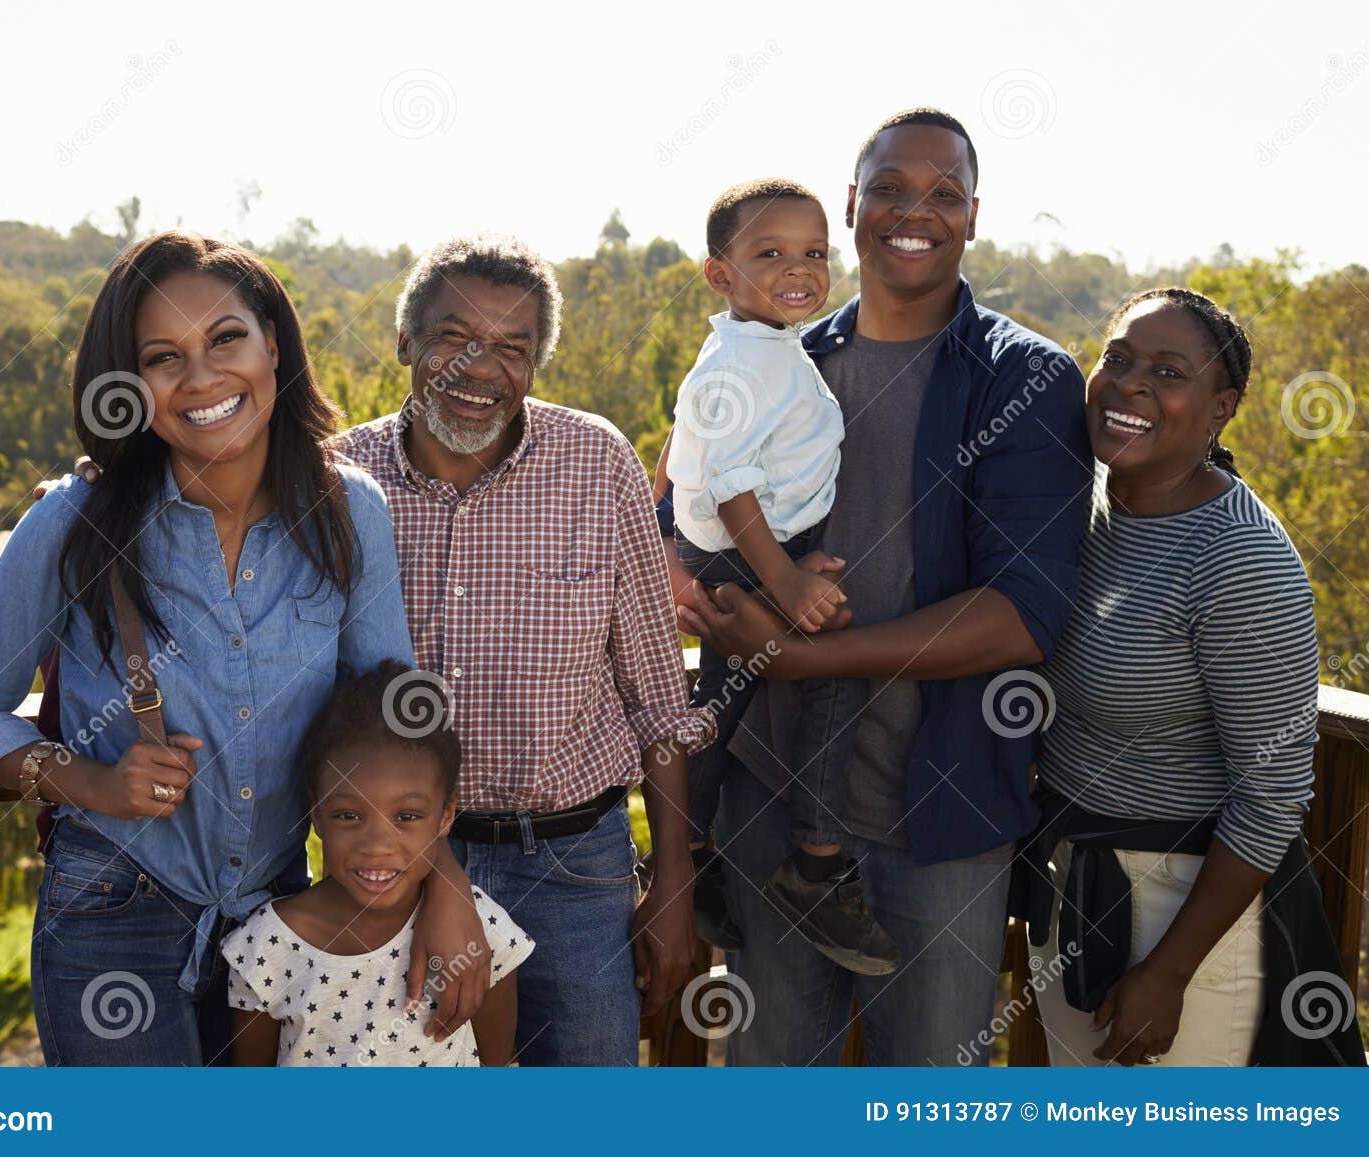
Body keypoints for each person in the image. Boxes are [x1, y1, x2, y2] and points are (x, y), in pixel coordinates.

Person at [0, 231, 486, 1065]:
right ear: (129, 383)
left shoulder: (349, 512)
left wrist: (445, 890)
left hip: (283, 917)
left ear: (271, 342)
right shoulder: (74, 522)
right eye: (163, 356)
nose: (201, 377)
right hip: (109, 917)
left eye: (225, 338)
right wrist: (91, 782)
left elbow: (395, 723)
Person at [671, 109, 1093, 1065]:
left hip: (941, 822)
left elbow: (1024, 616)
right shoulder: (780, 354)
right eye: (891, 189)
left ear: (974, 216)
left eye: (945, 193)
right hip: (775, 804)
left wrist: (804, 656)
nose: (918, 210)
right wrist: (703, 586)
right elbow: (686, 507)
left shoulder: (1024, 380)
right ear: (854, 205)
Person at [332, 234, 715, 1065]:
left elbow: (656, 690)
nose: (481, 369)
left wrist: (674, 877)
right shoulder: (339, 478)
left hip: (575, 867)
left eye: (512, 347)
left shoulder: (595, 460)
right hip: (386, 869)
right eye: (454, 339)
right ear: (405, 343)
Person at [1013, 287, 1364, 1067]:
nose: (1131, 383)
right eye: (1119, 358)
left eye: (1169, 372)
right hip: (1073, 886)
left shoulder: (1240, 560)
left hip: (1191, 920)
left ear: (1221, 407)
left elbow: (1272, 796)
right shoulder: (1086, 502)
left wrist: (1168, 972)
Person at [664, 177, 897, 974]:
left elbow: (697, 446)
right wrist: (787, 581)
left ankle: (686, 857)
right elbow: (729, 483)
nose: (799, 268)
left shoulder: (768, 343)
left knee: (722, 702)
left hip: (761, 546)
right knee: (832, 663)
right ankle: (817, 861)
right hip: (741, 551)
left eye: (814, 253)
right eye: (770, 253)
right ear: (720, 275)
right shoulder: (737, 361)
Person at [225, 661, 534, 1067]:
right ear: (316, 815)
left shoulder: (484, 932)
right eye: (348, 816)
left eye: (406, 816)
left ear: (445, 817)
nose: (377, 845)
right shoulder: (264, 948)